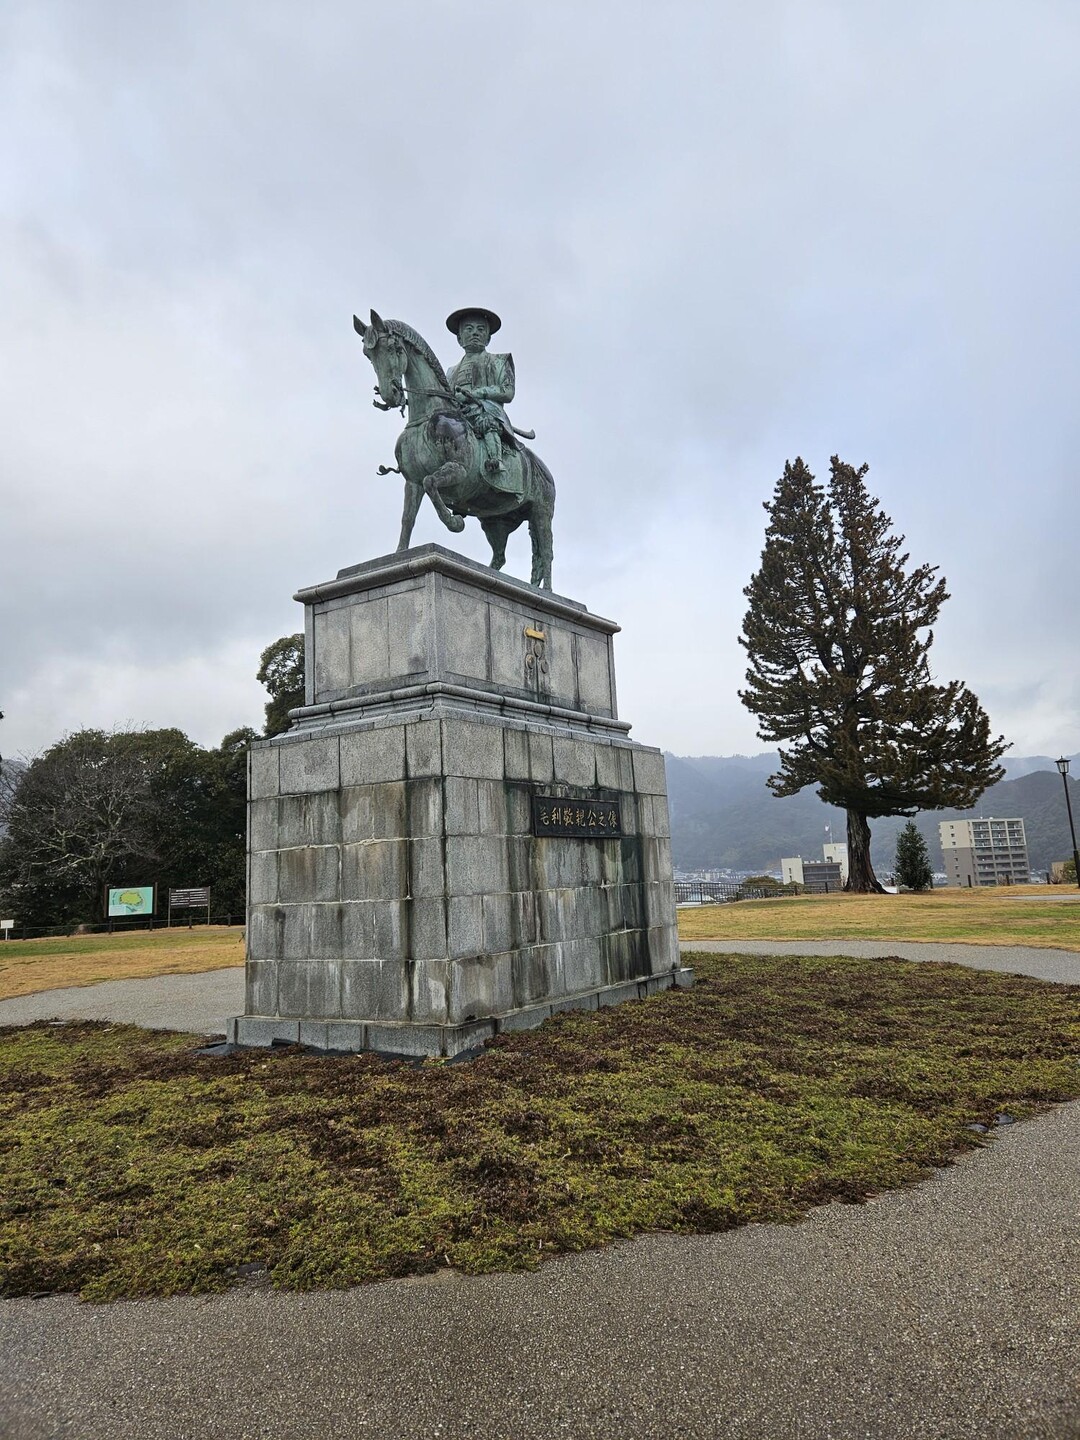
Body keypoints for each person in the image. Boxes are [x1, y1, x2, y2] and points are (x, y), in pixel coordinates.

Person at [445, 307, 533, 497]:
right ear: (459, 338)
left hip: (486, 410)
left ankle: (495, 460)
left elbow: (508, 392)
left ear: (488, 338)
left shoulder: (500, 361)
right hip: (458, 412)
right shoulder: (451, 371)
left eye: (480, 329)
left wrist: (478, 393)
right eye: (468, 329)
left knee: (488, 424)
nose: (475, 333)